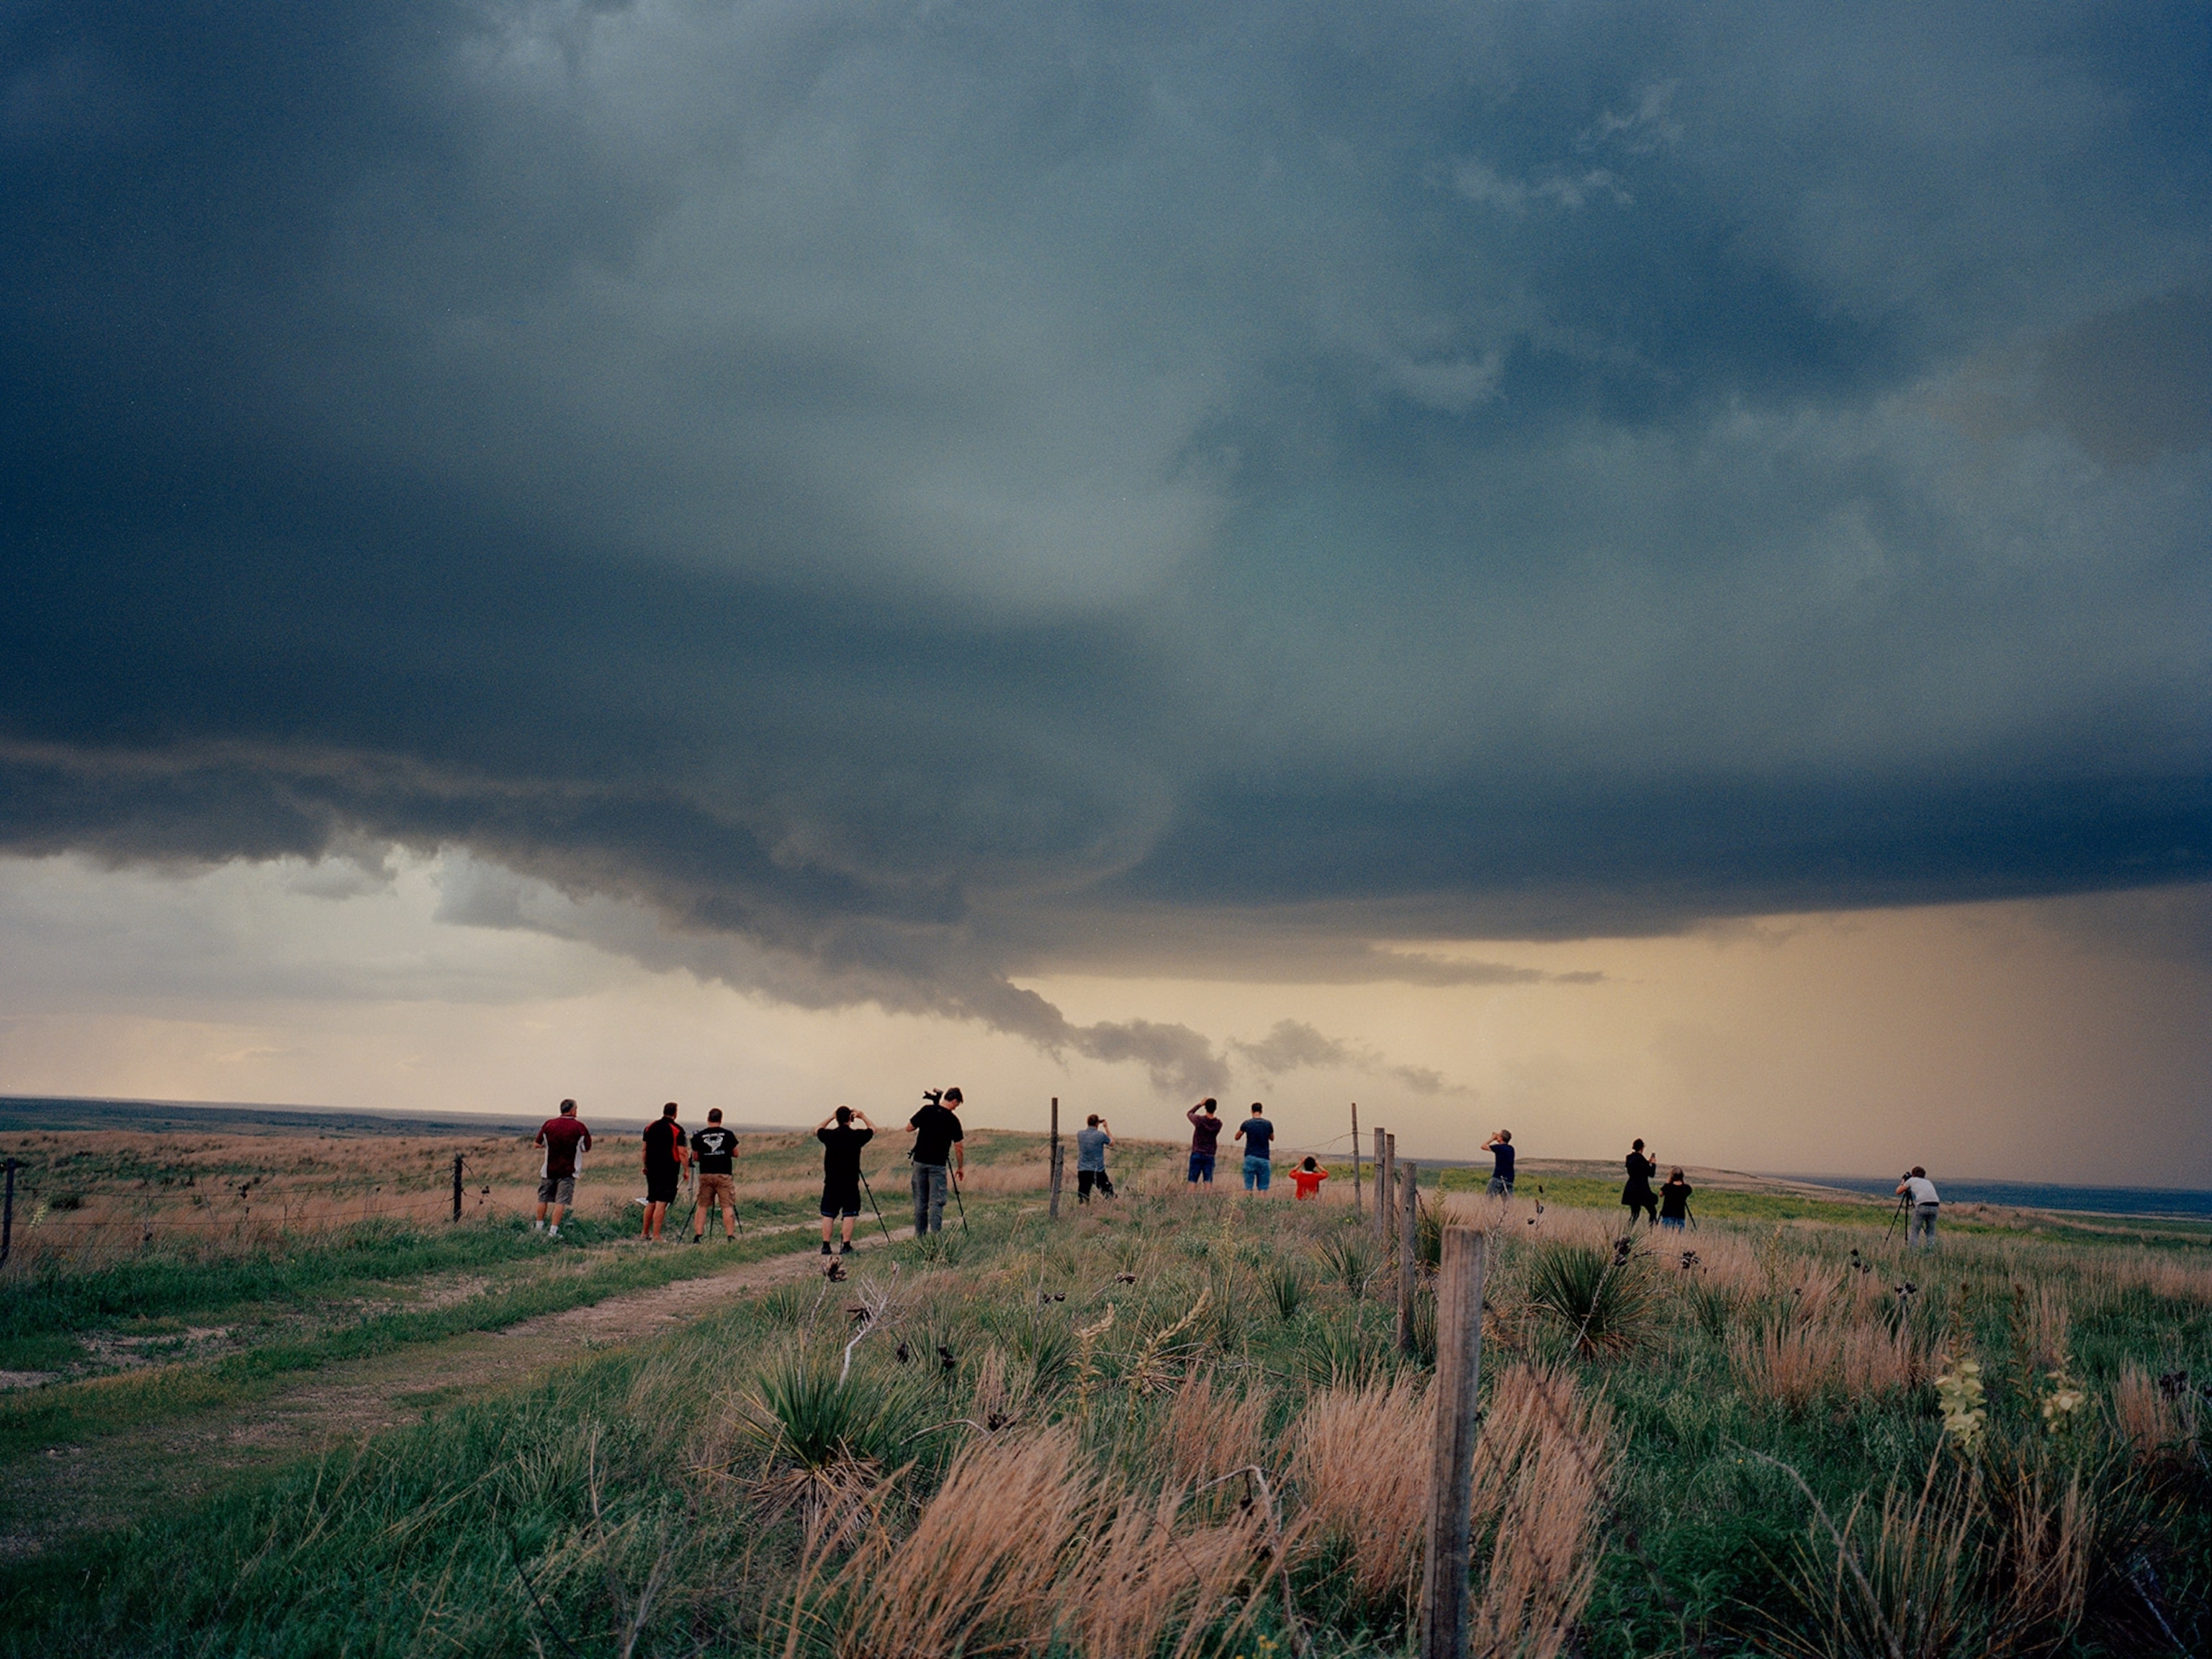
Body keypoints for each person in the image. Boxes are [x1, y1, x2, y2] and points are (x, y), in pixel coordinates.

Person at [906, 1087, 964, 1236]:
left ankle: (920, 1237)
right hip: (937, 1165)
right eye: (956, 1105)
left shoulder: (926, 1110)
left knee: (920, 1202)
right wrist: (960, 1167)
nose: (955, 1108)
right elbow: (959, 1148)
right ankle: (936, 1237)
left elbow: (909, 1128)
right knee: (936, 1202)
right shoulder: (953, 1120)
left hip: (919, 1162)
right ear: (954, 1101)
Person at [817, 1106, 875, 1253]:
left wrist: (831, 1116)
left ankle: (826, 1245)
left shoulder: (830, 1136)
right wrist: (863, 1116)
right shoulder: (856, 1136)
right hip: (850, 1182)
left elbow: (817, 1128)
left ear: (837, 1119)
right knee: (849, 1213)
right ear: (850, 1119)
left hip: (831, 1182)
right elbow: (873, 1129)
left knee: (828, 1214)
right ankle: (846, 1245)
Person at [533, 1099, 591, 1238]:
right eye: (576, 1108)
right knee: (561, 1201)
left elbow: (536, 1144)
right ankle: (553, 1232)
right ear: (572, 1110)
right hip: (568, 1171)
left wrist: (548, 1146)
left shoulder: (549, 1124)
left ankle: (538, 1227)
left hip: (549, 1169)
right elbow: (586, 1148)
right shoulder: (580, 1127)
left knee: (543, 1198)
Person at [688, 1108, 741, 1242]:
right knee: (727, 1205)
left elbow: (695, 1157)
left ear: (708, 1119)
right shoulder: (728, 1135)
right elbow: (736, 1153)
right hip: (723, 1174)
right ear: (721, 1119)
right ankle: (730, 1236)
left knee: (702, 1205)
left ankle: (698, 1236)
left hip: (706, 1174)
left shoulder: (699, 1136)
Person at [640, 1102, 686, 1242]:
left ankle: (644, 1233)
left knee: (651, 1199)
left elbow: (644, 1149)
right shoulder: (677, 1129)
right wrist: (686, 1170)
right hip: (668, 1169)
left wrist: (645, 1165)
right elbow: (682, 1152)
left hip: (652, 1168)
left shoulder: (650, 1127)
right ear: (675, 1113)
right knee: (662, 1201)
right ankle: (657, 1236)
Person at [1897, 1166, 1941, 1251]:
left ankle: (1913, 1252)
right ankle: (1930, 1251)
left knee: (1915, 1231)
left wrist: (1903, 1183)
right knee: (1931, 1232)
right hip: (1935, 1206)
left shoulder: (1912, 1180)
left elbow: (1898, 1192)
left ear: (1913, 1174)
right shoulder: (1928, 1182)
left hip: (1922, 1205)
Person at [1235, 1102, 1275, 1192]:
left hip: (1250, 1157)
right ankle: (1262, 1206)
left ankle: (1247, 1205)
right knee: (1263, 1188)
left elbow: (1237, 1137)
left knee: (1248, 1187)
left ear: (1251, 1111)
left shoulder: (1247, 1124)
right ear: (1261, 1111)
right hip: (1264, 1158)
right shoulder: (1268, 1124)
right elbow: (1272, 1138)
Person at [1074, 1114, 1115, 1202]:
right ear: (1097, 1124)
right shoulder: (1100, 1135)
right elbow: (1112, 1143)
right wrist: (1106, 1127)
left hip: (1083, 1169)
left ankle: (1083, 1212)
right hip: (1097, 1170)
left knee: (1083, 1196)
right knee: (1109, 1193)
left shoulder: (1080, 1134)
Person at [1186, 1098, 1223, 1186]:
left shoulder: (1199, 1120)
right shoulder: (1218, 1124)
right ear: (1215, 1108)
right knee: (1208, 1181)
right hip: (1209, 1154)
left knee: (1192, 1181)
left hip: (1197, 1152)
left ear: (1205, 1108)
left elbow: (1189, 1113)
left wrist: (1200, 1104)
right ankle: (1208, 1199)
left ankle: (1190, 1199)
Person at [1622, 1138, 1658, 1227]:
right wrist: (1653, 1164)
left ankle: (1627, 1231)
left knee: (1635, 1213)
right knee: (1652, 1211)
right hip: (1642, 1189)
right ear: (1642, 1148)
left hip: (1631, 1187)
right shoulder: (1641, 1160)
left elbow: (1637, 1168)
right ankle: (1652, 1231)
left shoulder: (1629, 1158)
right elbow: (1651, 1174)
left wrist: (1647, 1162)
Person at [1483, 1130, 1516, 1197]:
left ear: (1501, 1138)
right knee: (1508, 1205)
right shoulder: (1511, 1149)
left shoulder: (1499, 1148)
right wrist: (1498, 1137)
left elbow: (1483, 1146)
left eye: (1499, 1135)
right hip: (1510, 1179)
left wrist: (1492, 1138)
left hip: (1498, 1178)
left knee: (1488, 1201)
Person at [1658, 1167, 1692, 1231]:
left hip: (1667, 1215)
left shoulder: (1667, 1187)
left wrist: (1668, 1181)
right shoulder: (1686, 1188)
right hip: (1680, 1215)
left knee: (1666, 1236)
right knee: (1678, 1237)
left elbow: (1660, 1195)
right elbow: (1688, 1192)